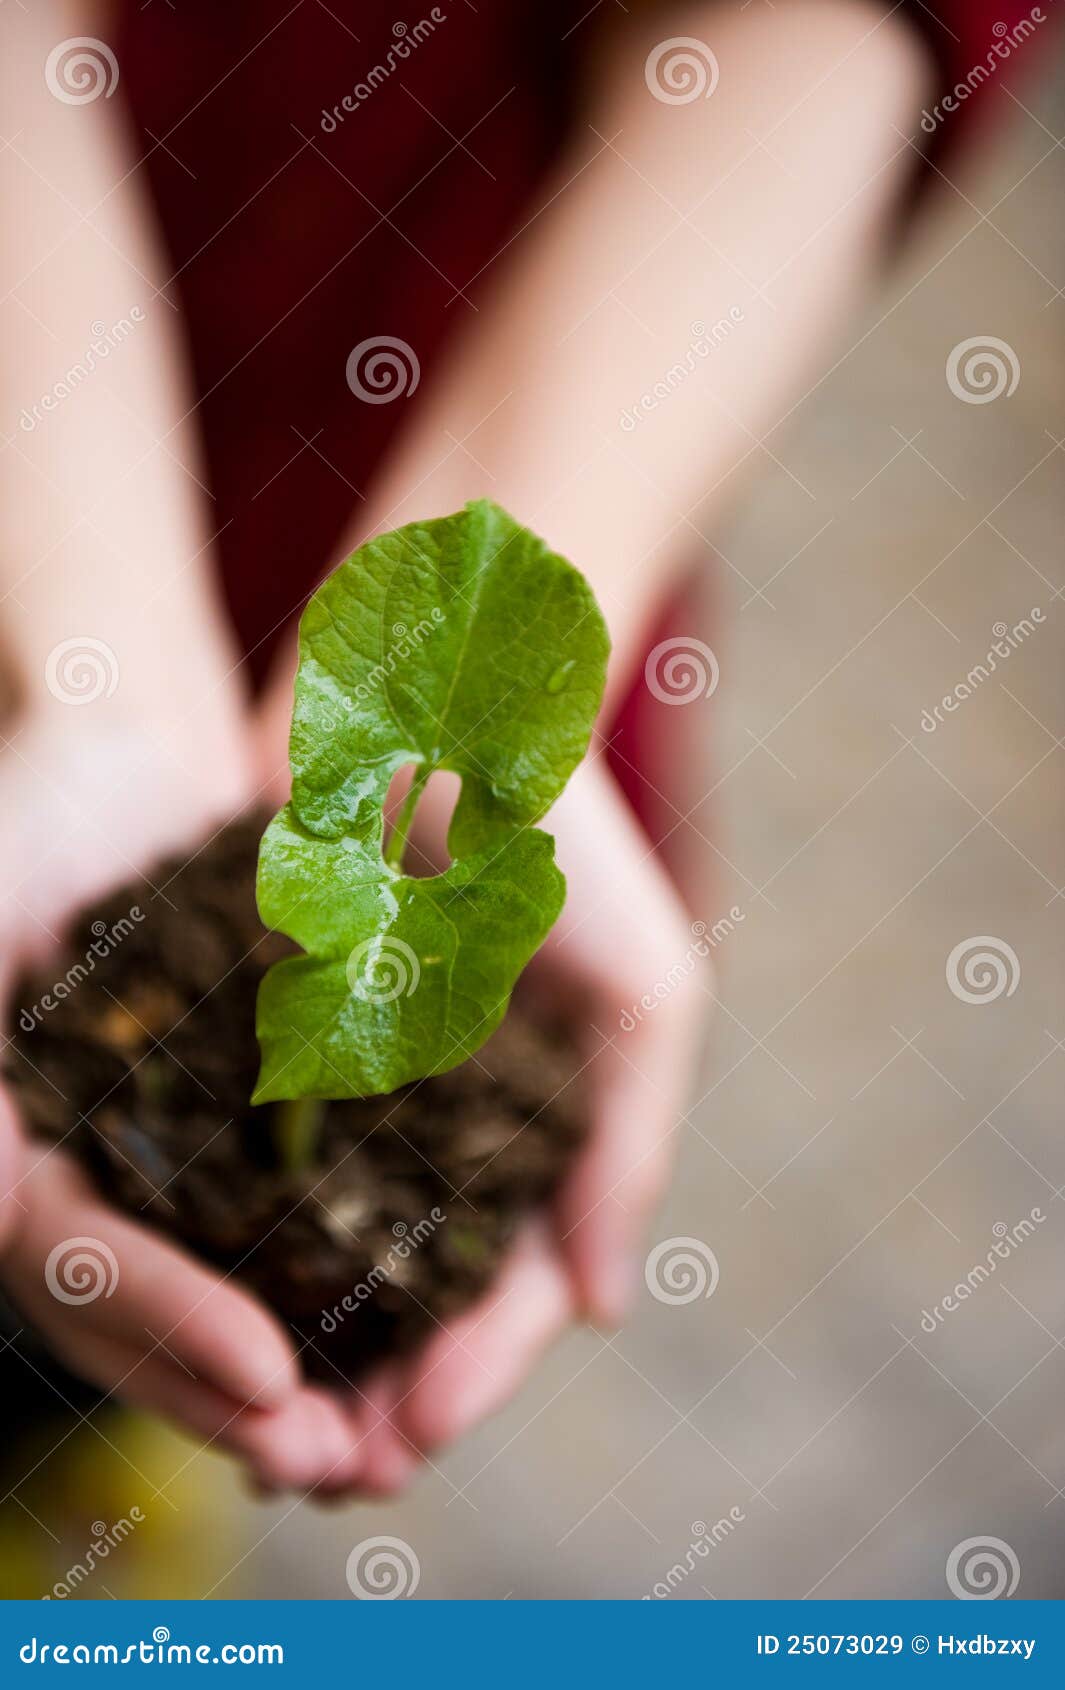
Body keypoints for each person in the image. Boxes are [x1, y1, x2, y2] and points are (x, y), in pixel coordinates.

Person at [0, 0, 1050, 1499]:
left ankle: (69, 1470)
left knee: (94, 1350)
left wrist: (460, 691)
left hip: (516, 396)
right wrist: (84, 669)